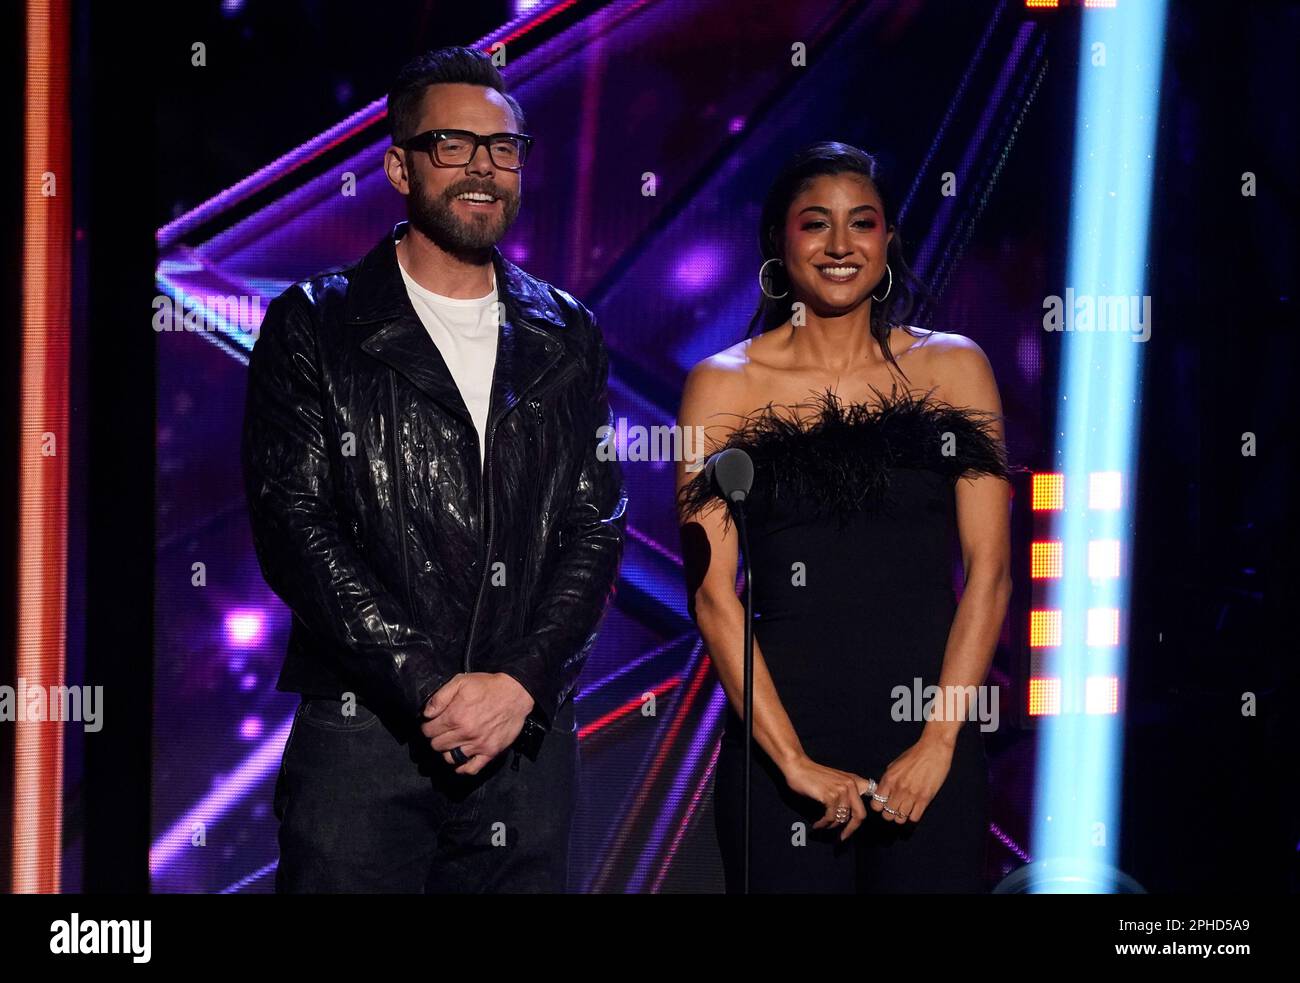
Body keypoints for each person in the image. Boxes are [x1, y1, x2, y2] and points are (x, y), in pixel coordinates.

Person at [241, 46, 626, 893]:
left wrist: (521, 682)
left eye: (504, 147)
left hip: (523, 734)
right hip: (365, 732)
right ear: (398, 167)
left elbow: (595, 523)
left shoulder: (567, 332)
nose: (483, 168)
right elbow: (294, 526)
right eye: (453, 144)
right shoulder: (318, 323)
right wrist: (429, 685)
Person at [675, 142, 1014, 893]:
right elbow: (712, 594)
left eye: (862, 223)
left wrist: (938, 742)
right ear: (778, 239)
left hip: (932, 743)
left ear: (888, 239)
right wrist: (793, 762)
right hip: (778, 751)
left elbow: (990, 572)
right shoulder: (722, 384)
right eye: (814, 224)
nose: (839, 245)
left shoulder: (954, 366)